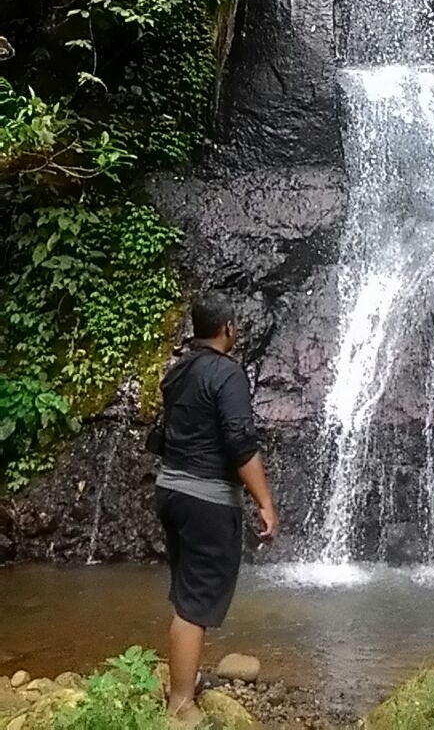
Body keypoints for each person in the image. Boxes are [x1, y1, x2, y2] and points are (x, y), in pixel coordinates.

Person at [155, 292, 279, 725]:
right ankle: (181, 705)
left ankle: (181, 682)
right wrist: (264, 502)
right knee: (194, 604)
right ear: (228, 328)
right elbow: (240, 441)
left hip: (170, 490)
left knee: (186, 593)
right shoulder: (227, 376)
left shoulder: (178, 371)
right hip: (205, 499)